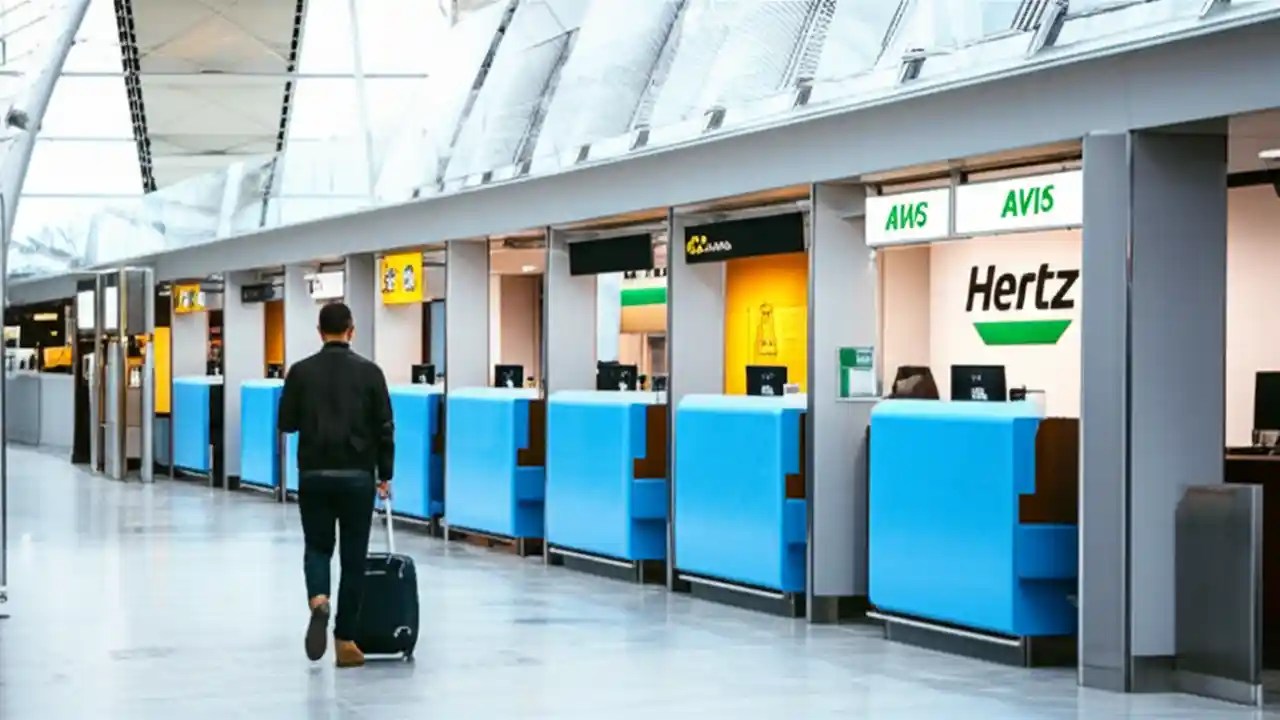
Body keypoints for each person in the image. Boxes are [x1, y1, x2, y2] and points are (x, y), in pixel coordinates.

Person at [278, 302, 394, 667]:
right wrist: (385, 474)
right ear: (351, 330)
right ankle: (345, 641)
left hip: (314, 474)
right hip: (358, 476)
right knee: (353, 559)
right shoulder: (371, 372)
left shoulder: (300, 372)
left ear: (319, 331)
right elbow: (385, 428)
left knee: (317, 547)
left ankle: (318, 600)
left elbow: (287, 422)